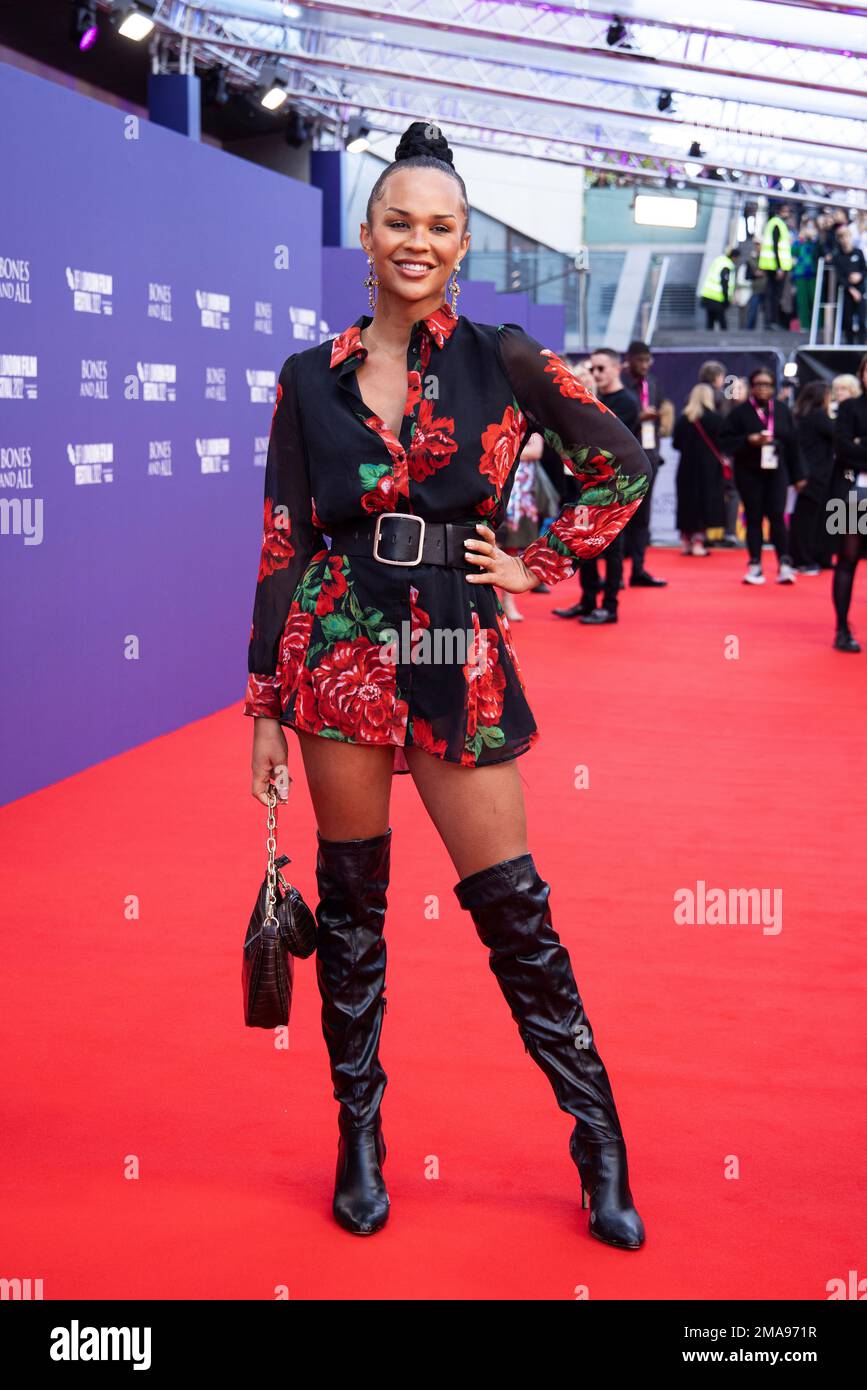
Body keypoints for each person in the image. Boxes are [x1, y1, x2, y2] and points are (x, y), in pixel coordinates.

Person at [244, 121, 652, 1247]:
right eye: (397, 222)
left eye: (438, 226)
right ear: (366, 237)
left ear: (461, 243)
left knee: (516, 911)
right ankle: (359, 1135)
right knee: (355, 916)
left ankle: (598, 1137)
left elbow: (622, 461)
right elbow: (282, 542)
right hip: (334, 656)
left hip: (451, 653)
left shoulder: (504, 360)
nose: (415, 241)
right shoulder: (304, 378)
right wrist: (266, 706)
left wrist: (546, 559)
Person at [552, 347, 642, 625]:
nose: (595, 374)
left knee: (612, 547)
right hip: (582, 486)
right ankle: (588, 599)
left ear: (617, 368)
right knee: (582, 543)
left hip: (614, 489)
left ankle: (610, 605)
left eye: (600, 369)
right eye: (592, 370)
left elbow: (605, 444)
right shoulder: (589, 401)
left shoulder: (626, 402)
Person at [720, 366, 806, 584]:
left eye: (767, 384)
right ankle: (755, 565)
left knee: (778, 517)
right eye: (758, 384)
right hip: (749, 472)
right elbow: (725, 441)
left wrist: (799, 475)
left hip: (778, 472)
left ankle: (785, 564)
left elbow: (794, 444)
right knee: (754, 518)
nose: (762, 389)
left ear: (773, 387)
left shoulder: (782, 410)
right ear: (751, 387)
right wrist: (748, 440)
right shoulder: (739, 413)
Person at [621, 339, 668, 587]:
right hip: (624, 460)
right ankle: (615, 575)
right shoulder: (620, 385)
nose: (645, 364)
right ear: (628, 359)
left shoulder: (653, 384)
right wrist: (638, 417)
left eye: (648, 359)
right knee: (619, 517)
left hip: (649, 457)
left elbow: (658, 419)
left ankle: (638, 570)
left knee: (643, 517)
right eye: (640, 359)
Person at [830, 352, 867, 651]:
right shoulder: (849, 407)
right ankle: (842, 629)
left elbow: (853, 447)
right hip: (853, 494)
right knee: (847, 559)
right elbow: (842, 449)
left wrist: (861, 444)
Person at [494, 430, 543, 621]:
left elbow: (536, 451)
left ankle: (508, 602)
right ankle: (487, 600)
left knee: (513, 547)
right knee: (491, 542)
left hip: (521, 492)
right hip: (496, 483)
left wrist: (505, 450)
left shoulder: (531, 417)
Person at [672, 385, 727, 555]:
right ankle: (698, 541)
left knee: (686, 503)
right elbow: (722, 443)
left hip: (686, 469)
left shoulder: (683, 419)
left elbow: (676, 444)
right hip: (709, 470)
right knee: (705, 503)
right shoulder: (716, 419)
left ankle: (686, 541)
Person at [791, 381, 834, 574]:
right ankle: (802, 559)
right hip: (814, 474)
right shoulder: (818, 417)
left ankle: (808, 557)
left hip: (807, 472)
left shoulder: (802, 416)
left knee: (806, 518)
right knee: (807, 519)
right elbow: (839, 435)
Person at [758, 203, 794, 330]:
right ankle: (771, 321)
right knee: (774, 295)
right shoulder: (777, 224)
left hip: (774, 265)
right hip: (775, 266)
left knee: (773, 295)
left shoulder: (775, 224)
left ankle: (772, 321)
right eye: (785, 211)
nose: (788, 214)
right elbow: (775, 247)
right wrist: (779, 267)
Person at [830, 222, 867, 345]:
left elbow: (864, 269)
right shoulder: (838, 257)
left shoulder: (858, 253)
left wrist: (859, 276)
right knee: (848, 320)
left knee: (862, 320)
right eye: (841, 237)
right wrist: (851, 289)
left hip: (861, 290)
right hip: (847, 292)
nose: (845, 240)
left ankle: (862, 346)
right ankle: (850, 346)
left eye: (846, 236)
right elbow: (840, 277)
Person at [699, 248, 740, 330]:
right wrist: (726, 299)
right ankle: (724, 340)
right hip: (717, 297)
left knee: (710, 322)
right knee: (722, 323)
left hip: (707, 294)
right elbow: (724, 283)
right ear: (734, 257)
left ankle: (709, 340)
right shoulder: (727, 265)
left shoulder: (719, 260)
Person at [791, 220, 820, 333]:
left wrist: (813, 238)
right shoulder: (799, 243)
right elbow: (793, 252)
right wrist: (800, 239)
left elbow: (819, 250)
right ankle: (805, 325)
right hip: (800, 274)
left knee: (815, 299)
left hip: (814, 274)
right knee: (802, 301)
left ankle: (818, 325)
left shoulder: (815, 242)